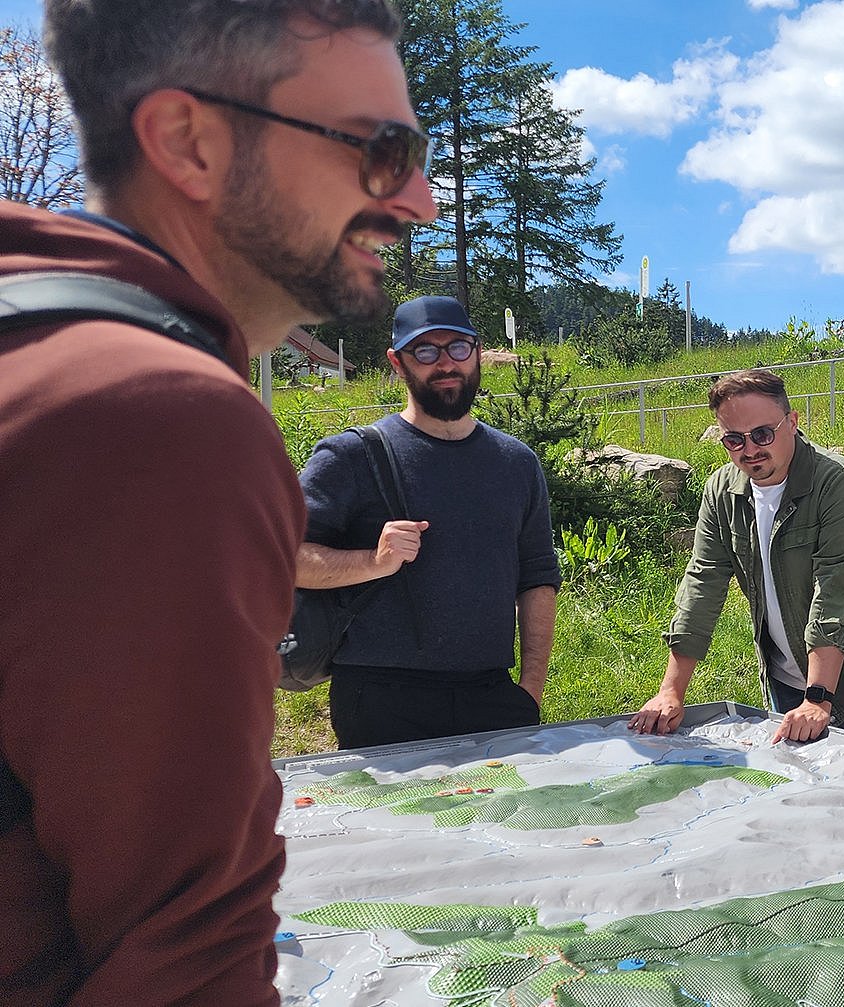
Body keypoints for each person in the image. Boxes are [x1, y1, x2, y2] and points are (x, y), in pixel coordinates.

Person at [0, 1, 434, 1001]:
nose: (417, 200)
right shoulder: (157, 414)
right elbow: (187, 951)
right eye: (380, 150)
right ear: (189, 144)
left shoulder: (35, 347)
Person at [298, 295, 560, 750]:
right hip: (381, 697)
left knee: (506, 821)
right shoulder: (350, 456)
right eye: (425, 351)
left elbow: (537, 576)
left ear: (478, 354)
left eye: (457, 348)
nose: (445, 364)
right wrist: (372, 561)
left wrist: (530, 686)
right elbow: (282, 560)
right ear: (398, 364)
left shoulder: (516, 463)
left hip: (492, 694)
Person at [630, 369, 844, 743]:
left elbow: (837, 591)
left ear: (792, 422)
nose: (749, 450)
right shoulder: (721, 492)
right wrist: (671, 692)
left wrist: (818, 698)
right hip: (783, 673)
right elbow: (703, 583)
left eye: (762, 434)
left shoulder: (839, 484)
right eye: (733, 440)